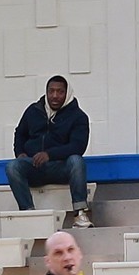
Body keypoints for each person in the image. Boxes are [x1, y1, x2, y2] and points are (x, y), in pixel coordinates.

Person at [6, 75, 92, 226]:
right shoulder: (33, 111)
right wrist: (20, 153)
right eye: (51, 91)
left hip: (60, 167)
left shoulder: (79, 116)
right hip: (34, 166)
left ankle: (79, 213)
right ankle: (28, 213)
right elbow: (20, 133)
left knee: (77, 161)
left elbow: (78, 146)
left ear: (67, 94)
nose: (55, 96)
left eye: (60, 92)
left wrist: (49, 155)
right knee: (12, 166)